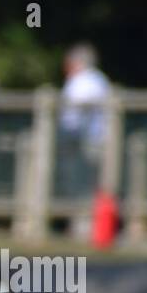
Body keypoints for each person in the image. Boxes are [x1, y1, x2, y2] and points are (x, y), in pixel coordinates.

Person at [58, 43, 111, 201]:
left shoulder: (83, 81)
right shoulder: (98, 79)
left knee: (81, 182)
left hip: (84, 140)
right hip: (94, 139)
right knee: (89, 181)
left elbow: (73, 117)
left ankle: (82, 220)